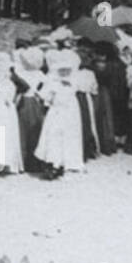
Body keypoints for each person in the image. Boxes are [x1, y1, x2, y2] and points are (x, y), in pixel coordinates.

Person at [33, 49, 85, 179]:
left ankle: (64, 163)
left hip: (69, 113)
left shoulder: (73, 83)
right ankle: (53, 163)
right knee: (54, 136)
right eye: (62, 70)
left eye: (67, 70)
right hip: (57, 112)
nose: (65, 72)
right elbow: (45, 97)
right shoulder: (54, 83)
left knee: (67, 137)